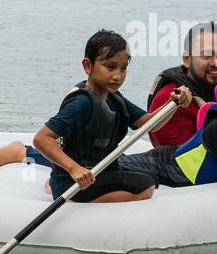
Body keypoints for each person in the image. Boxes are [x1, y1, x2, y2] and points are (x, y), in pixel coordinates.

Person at [28, 30, 193, 203]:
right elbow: (41, 138)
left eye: (123, 68)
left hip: (101, 171)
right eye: (110, 67)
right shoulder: (81, 103)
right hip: (74, 183)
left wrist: (173, 103)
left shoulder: (114, 96)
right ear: (88, 66)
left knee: (150, 176)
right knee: (145, 186)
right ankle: (77, 204)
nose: (117, 76)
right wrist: (74, 169)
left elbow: (150, 124)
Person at [143, 21, 217, 147]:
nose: (216, 63)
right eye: (206, 55)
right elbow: (189, 160)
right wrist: (211, 116)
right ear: (187, 60)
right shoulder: (171, 98)